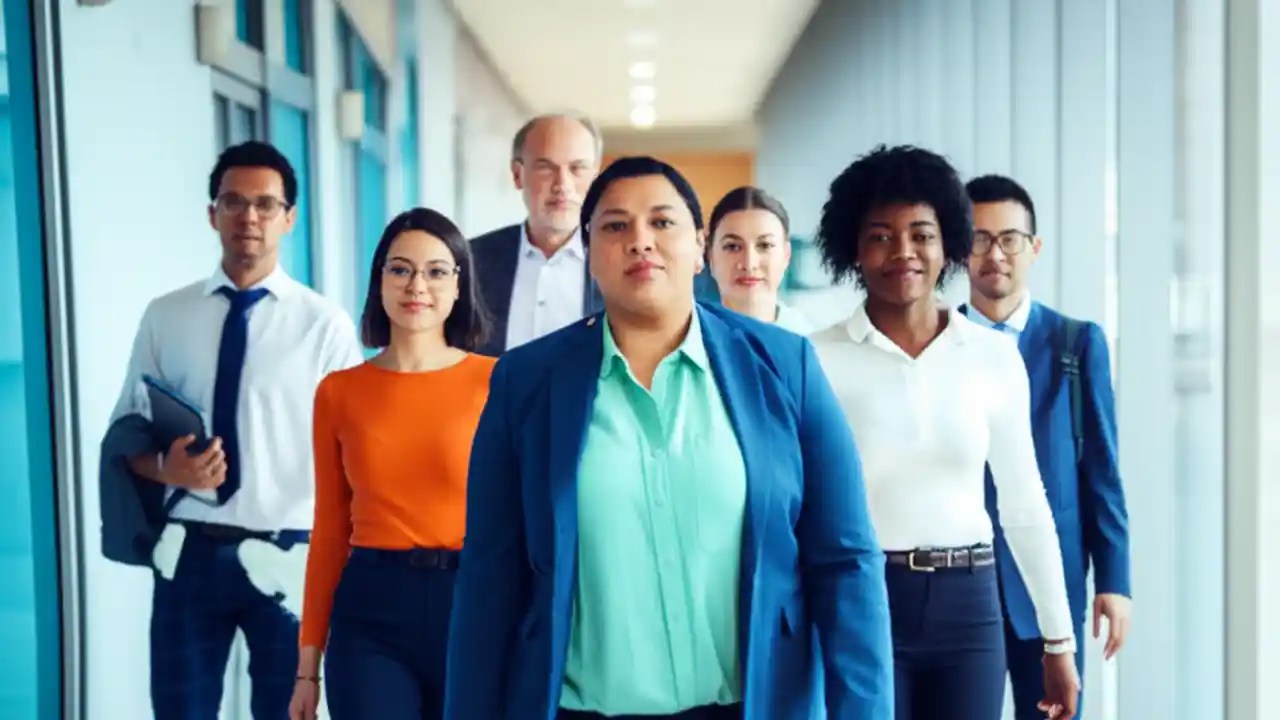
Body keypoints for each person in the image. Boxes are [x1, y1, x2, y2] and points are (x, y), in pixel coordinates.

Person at [443, 156, 893, 720]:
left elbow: (846, 561)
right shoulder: (525, 382)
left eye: (662, 222)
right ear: (589, 250)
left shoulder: (785, 366)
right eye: (615, 226)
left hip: (750, 706)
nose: (640, 242)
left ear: (700, 243)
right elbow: (489, 580)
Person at [808, 146, 1079, 720]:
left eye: (922, 234)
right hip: (862, 597)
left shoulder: (993, 358)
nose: (903, 252)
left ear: (949, 242)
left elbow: (1026, 504)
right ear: (853, 249)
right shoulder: (819, 359)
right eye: (880, 235)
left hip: (969, 603)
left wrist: (1058, 640)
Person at [101, 141, 363, 718]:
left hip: (290, 555)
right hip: (190, 551)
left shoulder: (324, 326)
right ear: (211, 213)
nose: (249, 216)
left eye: (266, 205)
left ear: (289, 218)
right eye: (234, 202)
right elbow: (127, 433)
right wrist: (166, 469)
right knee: (179, 710)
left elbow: (358, 452)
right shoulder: (165, 316)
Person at [287, 208, 495, 720]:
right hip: (371, 612)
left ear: (458, 285)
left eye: (436, 271)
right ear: (379, 280)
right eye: (400, 269)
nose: (416, 285)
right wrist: (306, 670)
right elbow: (330, 531)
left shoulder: (499, 382)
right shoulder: (339, 393)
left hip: (472, 603)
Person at [960, 174, 1131, 719]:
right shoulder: (939, 346)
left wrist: (1115, 580)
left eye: (1009, 238)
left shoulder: (1076, 343)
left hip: (1050, 583)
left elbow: (1102, 471)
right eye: (978, 237)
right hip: (963, 587)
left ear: (1033, 248)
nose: (995, 253)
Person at [470, 112, 606, 355]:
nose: (562, 185)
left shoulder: (617, 262)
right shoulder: (470, 261)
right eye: (546, 167)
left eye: (577, 168)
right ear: (517, 174)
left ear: (596, 177)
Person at [704, 186, 812, 334]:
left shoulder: (813, 345)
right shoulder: (687, 343)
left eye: (765, 245)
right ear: (711, 256)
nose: (749, 264)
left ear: (786, 255)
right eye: (733, 247)